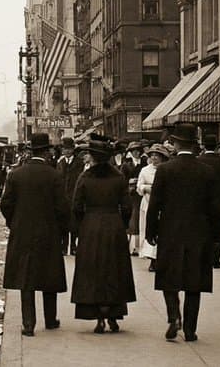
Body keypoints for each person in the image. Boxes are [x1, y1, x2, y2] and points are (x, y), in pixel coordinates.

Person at [146, 124, 220, 343]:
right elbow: (215, 207)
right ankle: (190, 329)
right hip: (199, 232)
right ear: (194, 145)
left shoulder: (165, 170)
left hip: (170, 230)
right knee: (194, 282)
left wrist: (151, 230)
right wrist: (215, 236)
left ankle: (174, 316)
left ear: (176, 144)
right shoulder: (207, 171)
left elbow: (155, 204)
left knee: (168, 277)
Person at [1, 133, 68, 336]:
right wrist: (60, 229)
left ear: (30, 151)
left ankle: (28, 324)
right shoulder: (54, 175)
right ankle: (50, 319)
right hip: (48, 232)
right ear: (47, 152)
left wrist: (14, 223)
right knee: (49, 276)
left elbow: (6, 204)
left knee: (26, 278)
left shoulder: (16, 174)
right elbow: (62, 207)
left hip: (23, 232)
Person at [70, 135, 136, 334]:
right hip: (113, 224)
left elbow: (76, 206)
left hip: (91, 225)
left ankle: (97, 315)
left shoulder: (85, 177)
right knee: (114, 270)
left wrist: (82, 225)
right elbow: (127, 206)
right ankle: (114, 314)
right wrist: (121, 224)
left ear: (93, 156)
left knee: (92, 270)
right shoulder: (118, 177)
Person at [198, 133, 220, 268]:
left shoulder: (199, 161)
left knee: (202, 230)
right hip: (219, 203)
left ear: (203, 146)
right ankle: (215, 259)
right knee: (217, 231)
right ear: (217, 146)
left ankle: (203, 257)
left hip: (202, 203)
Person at [137, 144, 167, 269]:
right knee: (149, 228)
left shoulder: (166, 169)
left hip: (163, 204)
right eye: (152, 155)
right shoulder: (145, 170)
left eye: (157, 156)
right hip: (148, 202)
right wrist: (145, 188)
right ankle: (151, 258)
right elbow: (139, 186)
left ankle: (161, 257)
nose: (154, 158)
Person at [57, 138, 83, 255]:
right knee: (63, 222)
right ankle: (63, 245)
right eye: (65, 149)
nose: (67, 151)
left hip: (74, 195)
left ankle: (73, 245)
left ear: (73, 149)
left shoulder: (79, 162)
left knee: (74, 222)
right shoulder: (60, 163)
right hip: (63, 196)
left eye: (69, 149)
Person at [121, 140, 145, 255]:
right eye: (134, 151)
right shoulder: (126, 165)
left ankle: (139, 245)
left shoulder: (144, 163)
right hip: (130, 194)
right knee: (132, 218)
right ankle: (131, 246)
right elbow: (121, 180)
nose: (136, 153)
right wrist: (129, 181)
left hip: (141, 194)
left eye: (138, 151)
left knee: (139, 218)